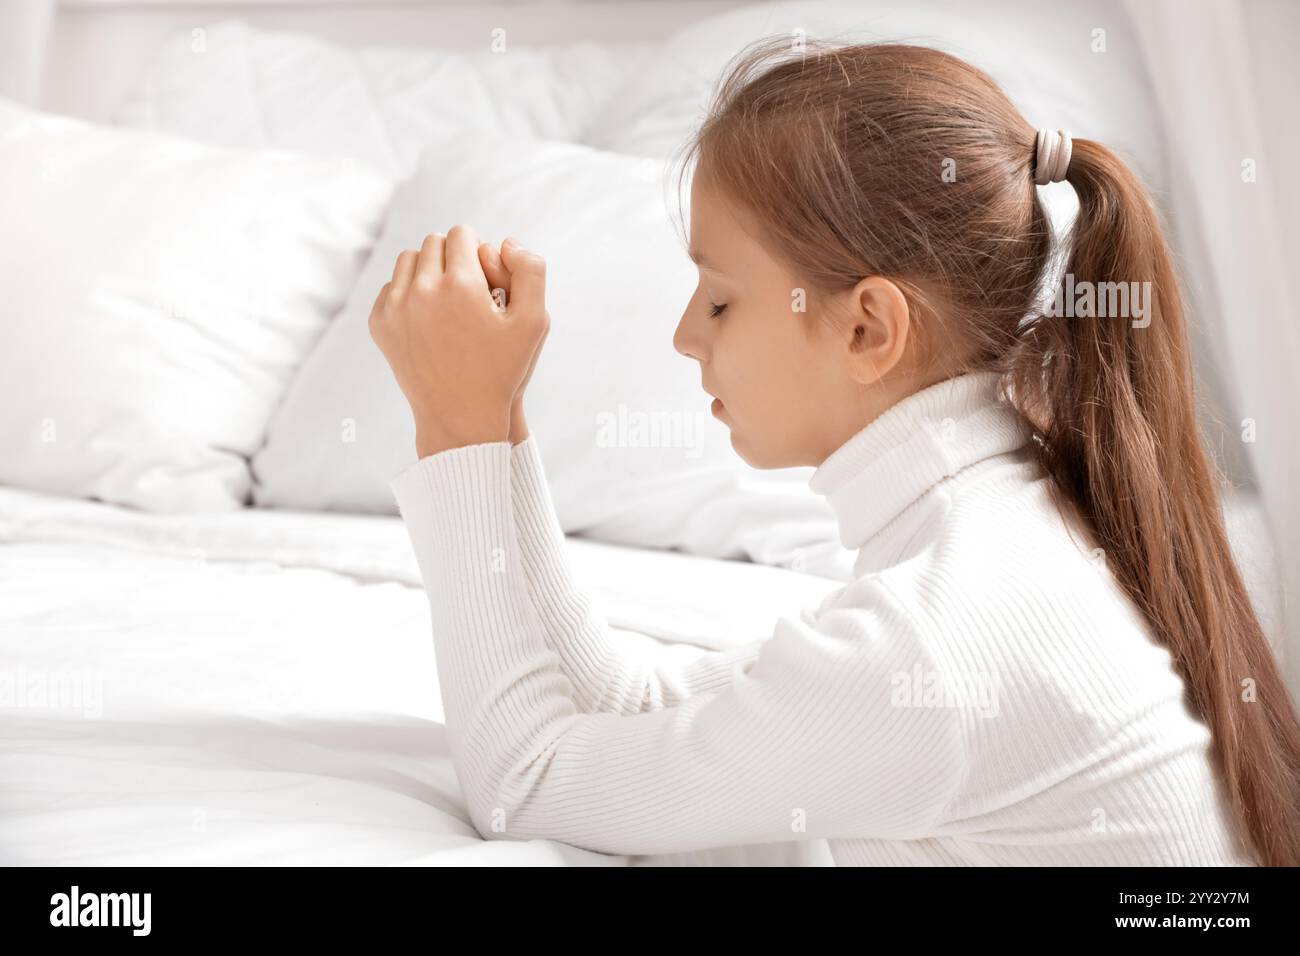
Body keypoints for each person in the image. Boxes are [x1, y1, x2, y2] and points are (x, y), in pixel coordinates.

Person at [369, 37, 1300, 865]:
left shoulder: (930, 639)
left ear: (868, 329)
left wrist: (457, 426)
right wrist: (498, 415)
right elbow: (630, 709)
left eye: (721, 299)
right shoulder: (1011, 529)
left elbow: (520, 785)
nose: (686, 336)